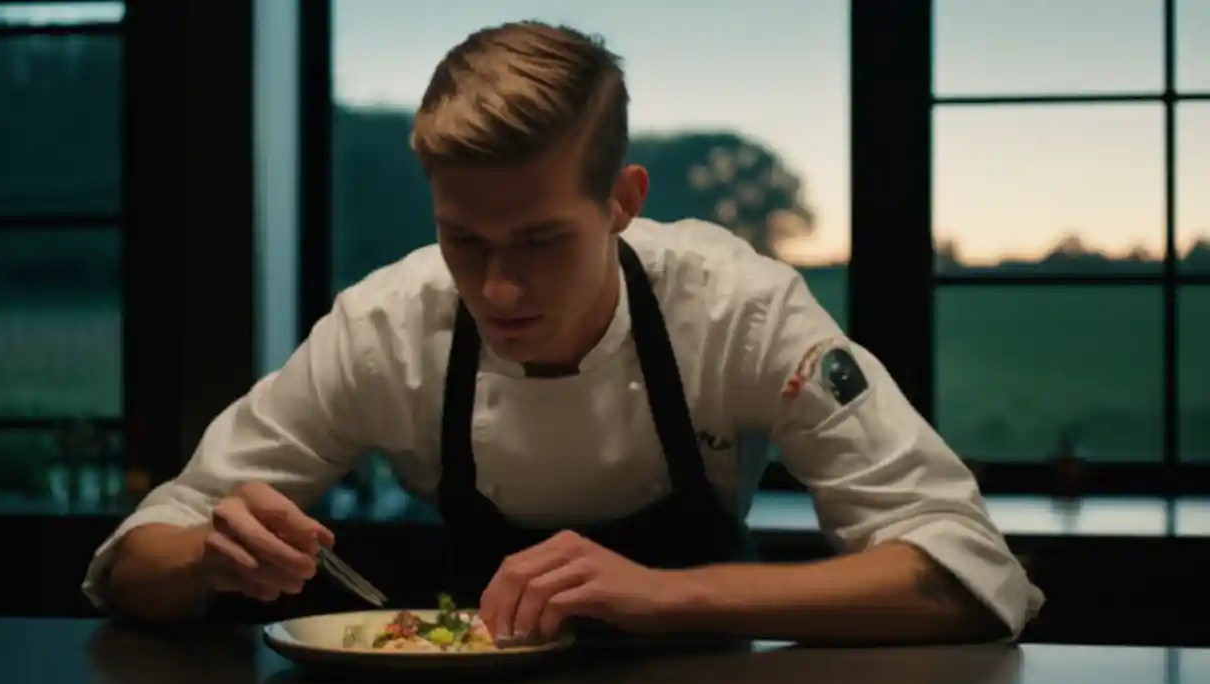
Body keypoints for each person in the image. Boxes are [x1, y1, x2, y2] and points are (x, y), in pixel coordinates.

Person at [85, 21, 1043, 644]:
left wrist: (662, 596)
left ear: (623, 201)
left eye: (541, 241)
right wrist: (208, 555)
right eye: (463, 240)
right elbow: (134, 563)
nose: (498, 287)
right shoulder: (383, 327)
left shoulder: (739, 310)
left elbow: (965, 572)